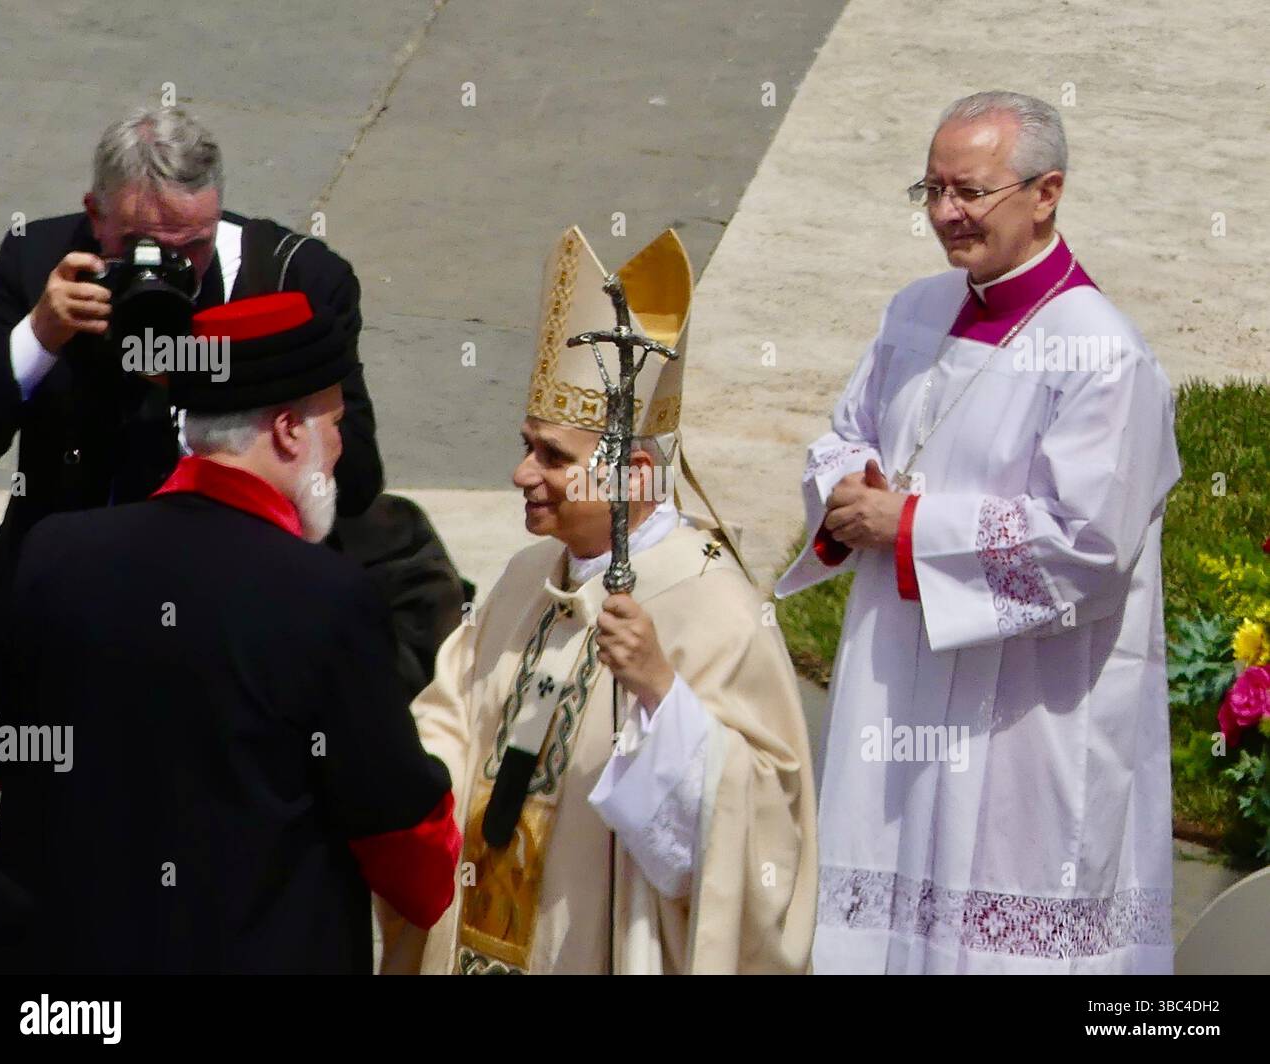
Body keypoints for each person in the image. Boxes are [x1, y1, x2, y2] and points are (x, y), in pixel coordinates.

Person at [776, 91, 1180, 974]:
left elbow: (1090, 545)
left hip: (1028, 711)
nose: (946, 214)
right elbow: (847, 428)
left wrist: (911, 525)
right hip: (903, 680)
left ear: (1047, 193)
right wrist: (843, 486)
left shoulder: (1103, 354)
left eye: (970, 191)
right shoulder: (916, 310)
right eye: (931, 190)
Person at [0, 292, 459, 974]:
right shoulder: (326, 597)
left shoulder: (53, 556)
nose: (339, 447)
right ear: (289, 431)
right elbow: (410, 848)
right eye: (334, 423)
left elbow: (2, 751)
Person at [378, 226, 817, 975]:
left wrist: (659, 692)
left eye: (553, 457)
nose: (522, 474)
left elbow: (767, 835)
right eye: (527, 445)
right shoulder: (525, 577)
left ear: (636, 472)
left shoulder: (717, 611)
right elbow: (448, 724)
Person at [0, 105, 384, 704]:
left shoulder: (296, 286)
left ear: (216, 214)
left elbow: (359, 476)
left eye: (193, 246)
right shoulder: (39, 263)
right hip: (61, 639)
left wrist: (210, 384)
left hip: (232, 640)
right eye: (141, 248)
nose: (171, 267)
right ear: (95, 215)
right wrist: (36, 339)